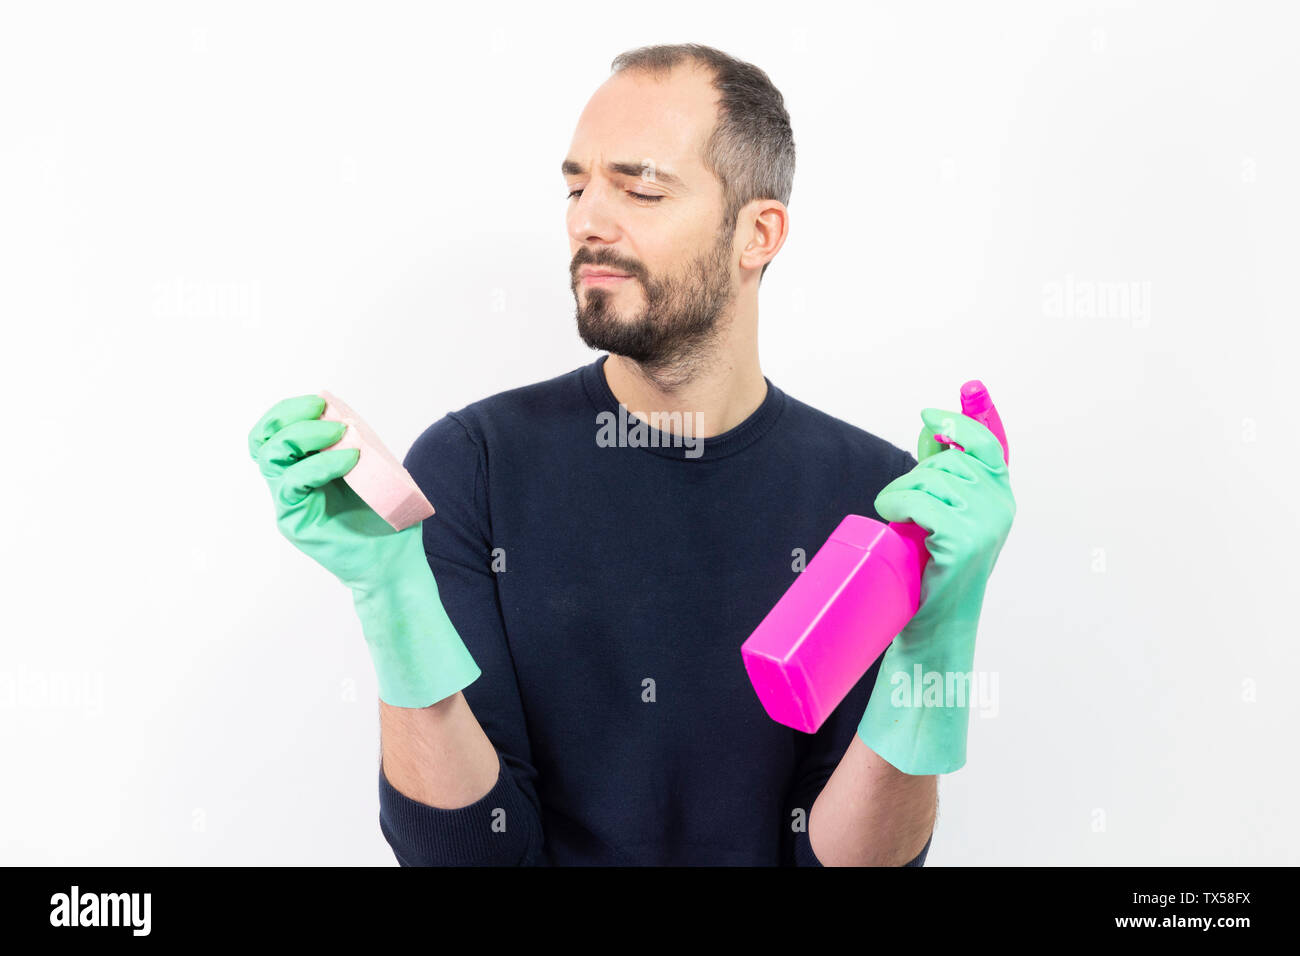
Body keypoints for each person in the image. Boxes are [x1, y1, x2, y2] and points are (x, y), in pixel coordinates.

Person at [248, 43, 1015, 866]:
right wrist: (390, 600)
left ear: (759, 232)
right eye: (577, 187)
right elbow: (471, 857)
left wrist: (933, 649)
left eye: (640, 187)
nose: (586, 219)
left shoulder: (871, 500)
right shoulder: (474, 468)